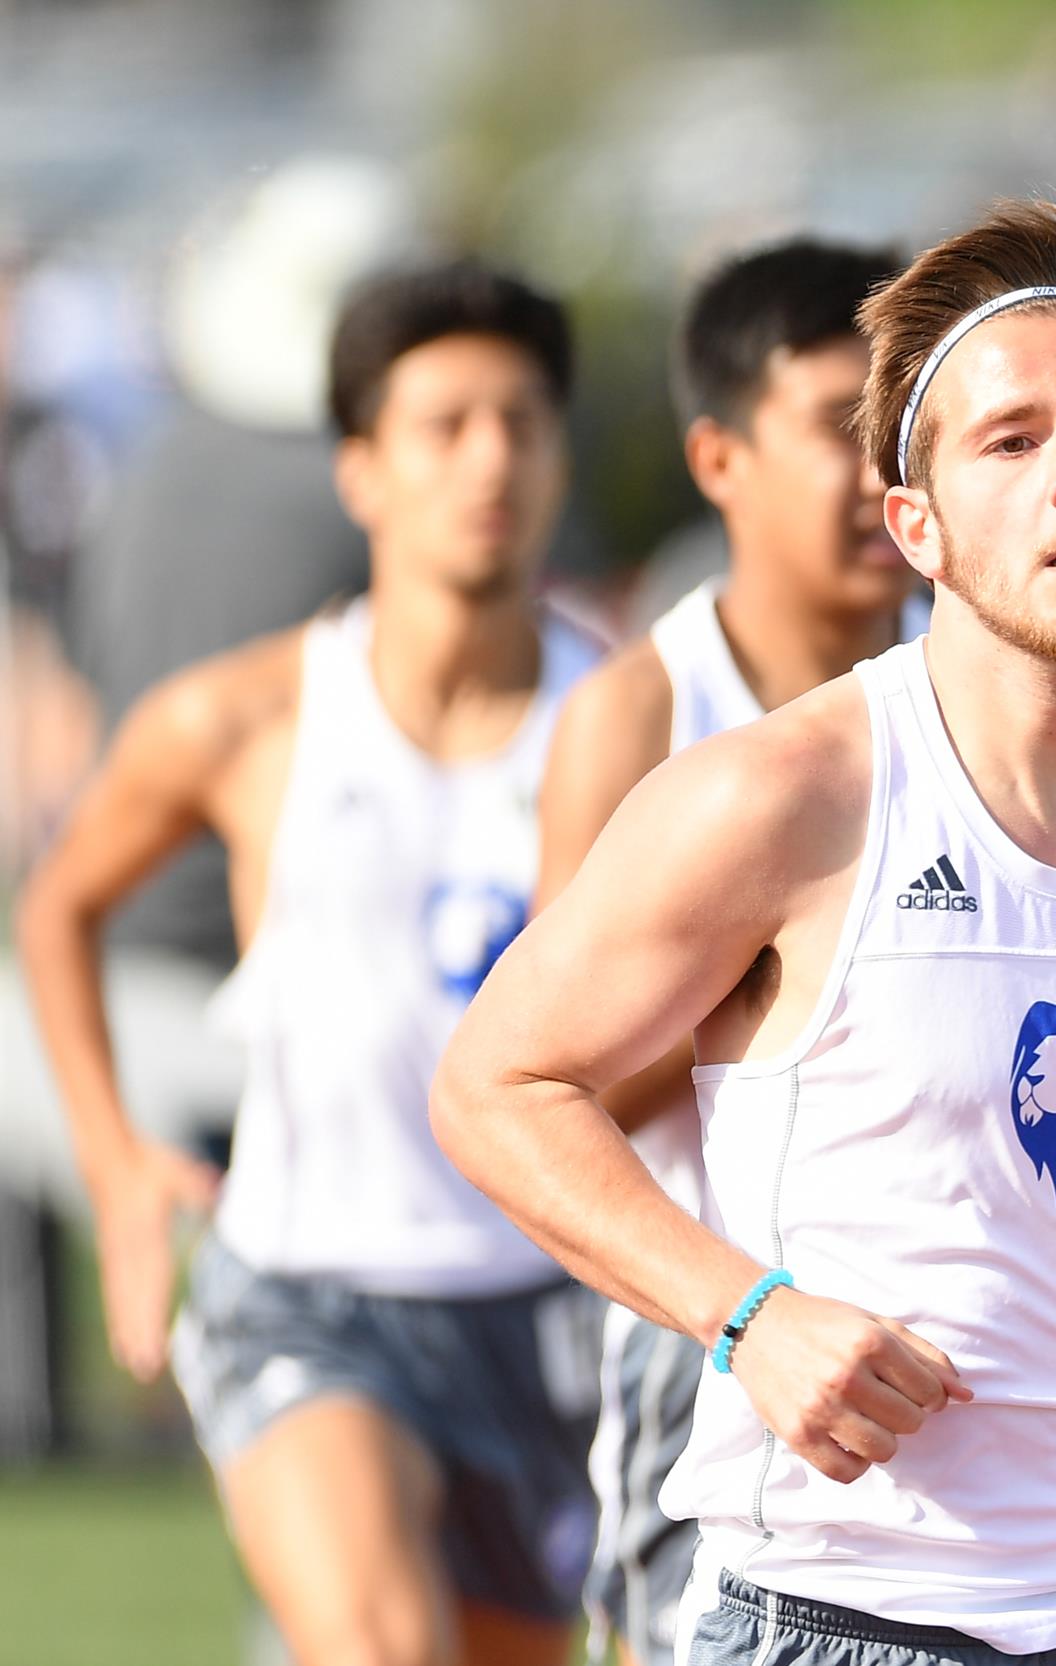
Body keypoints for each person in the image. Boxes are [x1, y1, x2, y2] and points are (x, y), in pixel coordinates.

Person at [429, 198, 1056, 1666]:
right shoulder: (780, 797)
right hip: (839, 1606)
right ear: (916, 523)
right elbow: (495, 1084)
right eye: (1012, 441)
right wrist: (746, 1316)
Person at [16, 260, 604, 1666]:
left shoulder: (630, 714)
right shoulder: (248, 718)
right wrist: (117, 1165)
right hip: (307, 1289)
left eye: (521, 423)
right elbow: (57, 905)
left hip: (549, 1303)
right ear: (360, 471)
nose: (490, 461)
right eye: (445, 426)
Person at [536, 236, 915, 1666]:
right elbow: (567, 1074)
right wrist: (769, 980)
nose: (881, 471)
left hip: (957, 1300)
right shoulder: (640, 712)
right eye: (835, 427)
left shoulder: (998, 674)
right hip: (714, 1319)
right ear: (718, 458)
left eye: (902, 425)